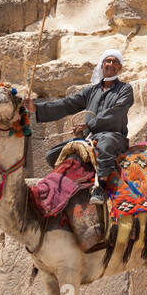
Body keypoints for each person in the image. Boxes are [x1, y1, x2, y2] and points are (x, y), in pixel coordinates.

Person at [26, 49, 133, 206]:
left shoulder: (125, 89)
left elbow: (115, 113)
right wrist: (36, 107)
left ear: (120, 68)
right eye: (108, 61)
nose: (111, 64)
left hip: (114, 136)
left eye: (115, 62)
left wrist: (89, 125)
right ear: (102, 65)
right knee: (53, 154)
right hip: (90, 138)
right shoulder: (92, 90)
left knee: (106, 144)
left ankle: (100, 187)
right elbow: (67, 104)